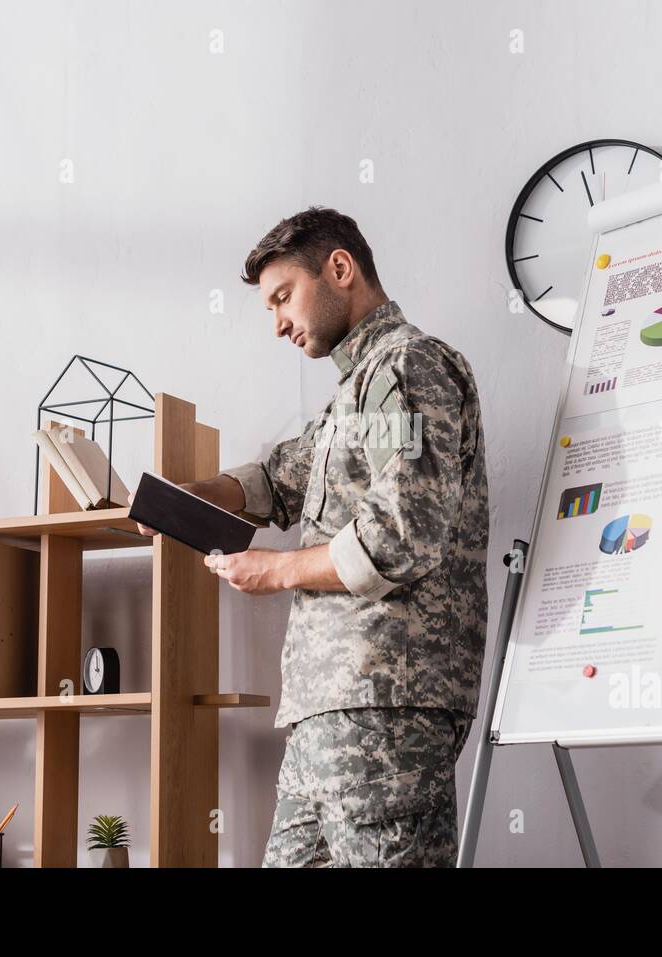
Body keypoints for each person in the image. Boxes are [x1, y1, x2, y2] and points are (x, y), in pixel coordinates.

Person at [136, 206, 489, 866]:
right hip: (328, 713)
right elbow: (283, 473)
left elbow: (402, 532)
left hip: (384, 706)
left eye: (282, 297)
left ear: (340, 268)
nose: (277, 324)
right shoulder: (355, 395)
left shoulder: (405, 369)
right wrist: (190, 499)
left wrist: (274, 571)